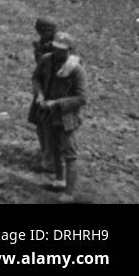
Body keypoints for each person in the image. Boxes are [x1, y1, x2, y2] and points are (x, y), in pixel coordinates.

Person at [35, 32, 86, 196]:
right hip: (49, 115)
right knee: (55, 148)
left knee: (70, 155)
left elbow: (81, 98)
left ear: (69, 50)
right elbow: (36, 79)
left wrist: (57, 103)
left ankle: (69, 194)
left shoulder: (76, 69)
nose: (58, 52)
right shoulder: (46, 60)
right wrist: (40, 94)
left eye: (62, 50)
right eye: (56, 48)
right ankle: (59, 181)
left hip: (66, 118)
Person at [28, 17, 59, 172]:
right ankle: (45, 154)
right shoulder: (43, 43)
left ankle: (51, 162)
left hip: (55, 90)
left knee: (50, 126)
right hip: (43, 87)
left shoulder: (60, 45)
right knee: (40, 123)